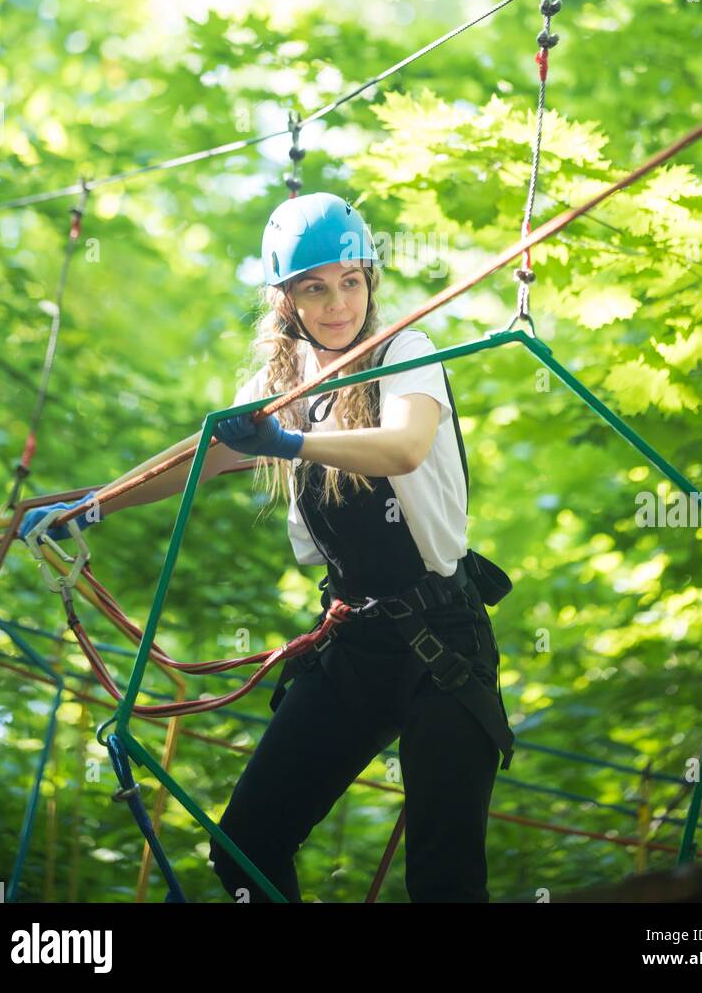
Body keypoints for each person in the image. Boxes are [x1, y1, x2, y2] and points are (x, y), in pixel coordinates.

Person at [206, 192, 515, 904]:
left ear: (370, 280)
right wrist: (90, 506)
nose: (338, 302)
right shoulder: (282, 388)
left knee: (444, 876)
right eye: (315, 287)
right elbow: (192, 460)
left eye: (350, 281)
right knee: (244, 848)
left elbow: (405, 447)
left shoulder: (406, 351)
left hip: (444, 638)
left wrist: (286, 441)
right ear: (287, 302)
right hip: (354, 646)